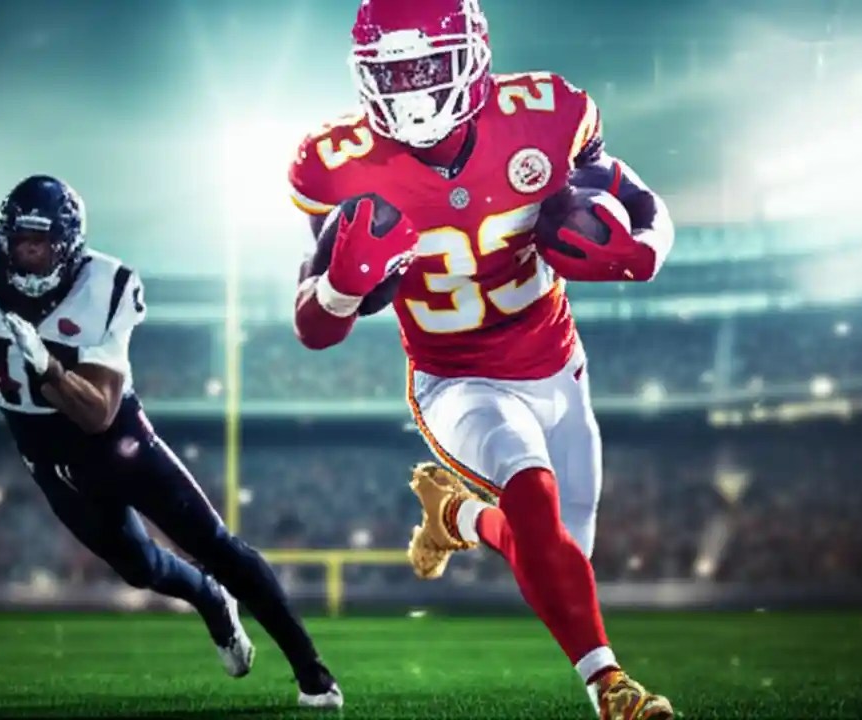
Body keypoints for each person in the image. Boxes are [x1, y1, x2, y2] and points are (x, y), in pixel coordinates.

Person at [288, 2, 675, 717]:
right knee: (532, 497)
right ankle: (610, 685)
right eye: (391, 71)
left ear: (471, 54)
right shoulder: (336, 163)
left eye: (425, 65)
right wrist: (342, 286)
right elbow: (313, 327)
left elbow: (645, 205)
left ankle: (457, 519)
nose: (408, 87)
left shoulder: (547, 113)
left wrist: (640, 254)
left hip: (557, 361)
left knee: (561, 552)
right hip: (455, 376)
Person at [0, 174, 342, 708]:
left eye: (40, 244)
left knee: (214, 544)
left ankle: (313, 675)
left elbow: (98, 414)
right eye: (20, 243)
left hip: (115, 442)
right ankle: (211, 601)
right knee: (140, 569)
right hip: (43, 452)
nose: (28, 256)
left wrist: (45, 366)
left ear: (67, 246)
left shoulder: (106, 287)